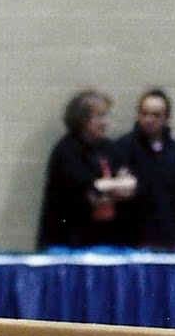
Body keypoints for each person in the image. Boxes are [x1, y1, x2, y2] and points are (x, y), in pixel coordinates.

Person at [36, 88, 138, 250]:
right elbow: (85, 191)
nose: (105, 122)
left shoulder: (110, 149)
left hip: (106, 238)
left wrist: (105, 187)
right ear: (82, 120)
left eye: (106, 116)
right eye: (99, 117)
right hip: (69, 240)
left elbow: (130, 184)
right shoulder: (66, 151)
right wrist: (111, 186)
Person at [117, 88, 175, 252]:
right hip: (134, 243)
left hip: (169, 241)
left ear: (166, 118)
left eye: (155, 115)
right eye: (144, 114)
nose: (149, 119)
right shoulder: (123, 147)